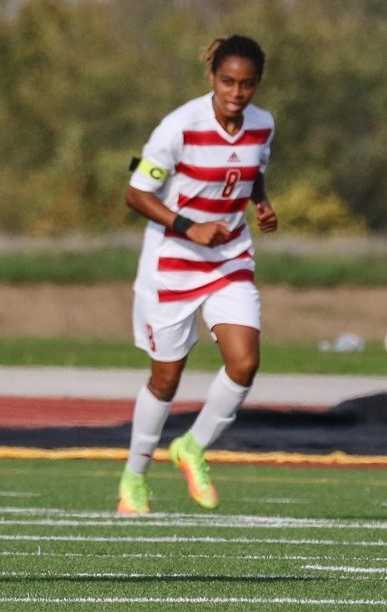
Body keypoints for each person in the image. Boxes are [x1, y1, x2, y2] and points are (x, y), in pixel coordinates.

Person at [117, 34, 279, 515]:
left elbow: (251, 173)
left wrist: (262, 204)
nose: (237, 92)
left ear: (257, 86)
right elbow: (136, 194)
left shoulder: (263, 125)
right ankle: (134, 477)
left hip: (230, 258)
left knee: (245, 363)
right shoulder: (179, 127)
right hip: (172, 265)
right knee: (166, 379)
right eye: (228, 81)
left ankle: (193, 445)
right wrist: (189, 227)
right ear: (212, 78)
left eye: (247, 84)